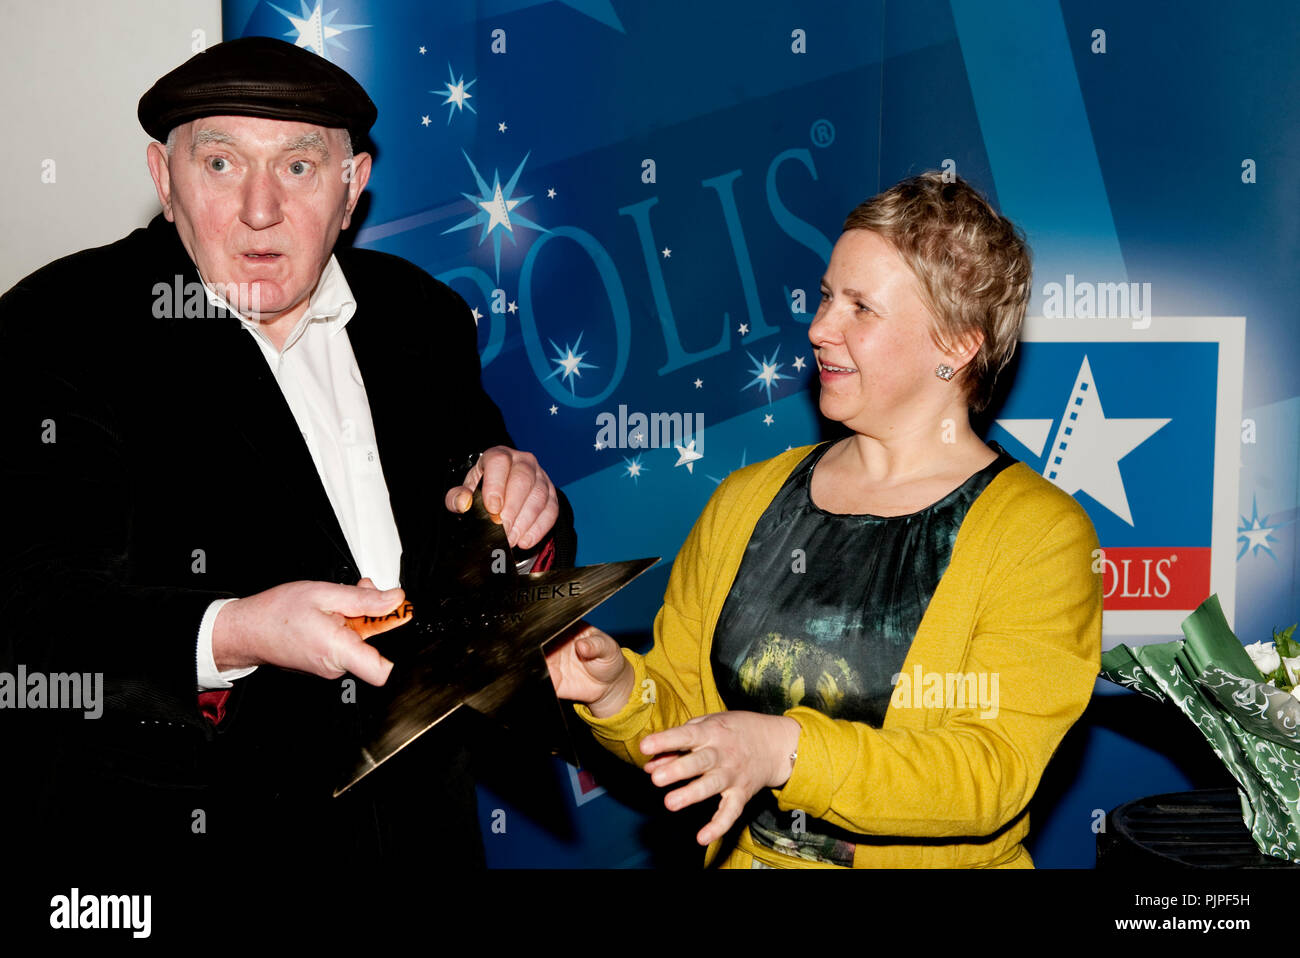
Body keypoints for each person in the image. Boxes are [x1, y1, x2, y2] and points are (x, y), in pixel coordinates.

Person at [0, 36, 573, 869]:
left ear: (353, 187)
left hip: (423, 836)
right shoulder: (59, 328)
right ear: (164, 180)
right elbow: (29, 609)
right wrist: (232, 632)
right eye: (222, 164)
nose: (260, 208)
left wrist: (521, 506)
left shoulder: (420, 318)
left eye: (299, 167)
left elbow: (489, 558)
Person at [548, 172, 1103, 868]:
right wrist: (622, 692)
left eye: (861, 308)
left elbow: (990, 771)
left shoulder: (1038, 535)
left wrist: (784, 751)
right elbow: (694, 723)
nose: (817, 328)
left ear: (957, 346)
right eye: (825, 297)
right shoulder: (747, 497)